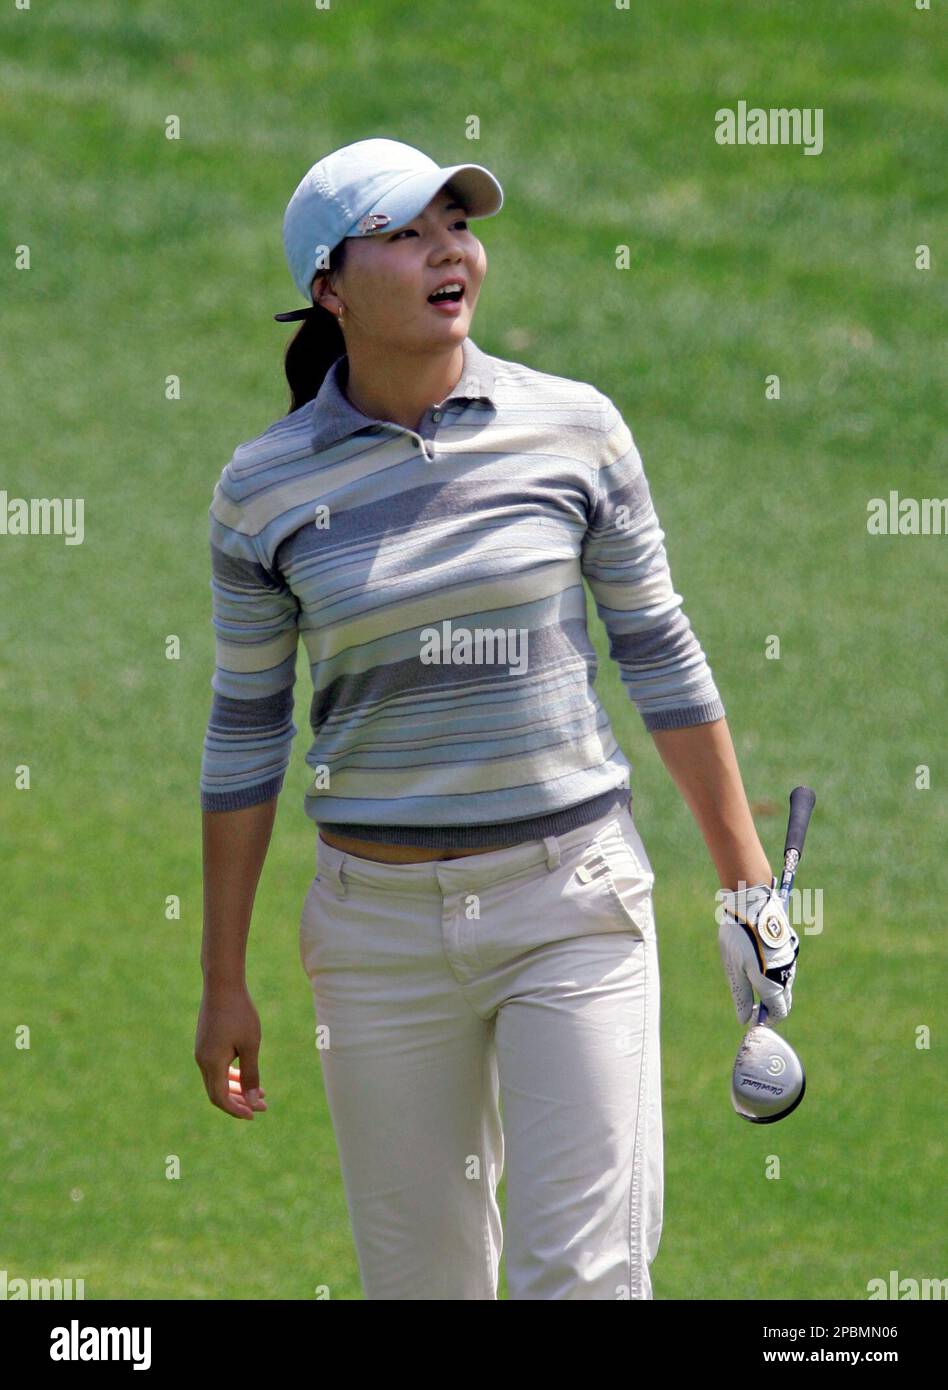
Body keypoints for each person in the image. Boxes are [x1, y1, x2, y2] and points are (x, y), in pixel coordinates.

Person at [195, 137, 800, 1301]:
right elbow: (244, 734)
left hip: (567, 903)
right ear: (329, 285)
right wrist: (224, 975)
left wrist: (745, 883)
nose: (448, 251)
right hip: (374, 937)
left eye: (457, 227)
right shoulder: (264, 488)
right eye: (408, 233)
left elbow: (660, 652)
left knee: (582, 1279)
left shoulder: (576, 430)